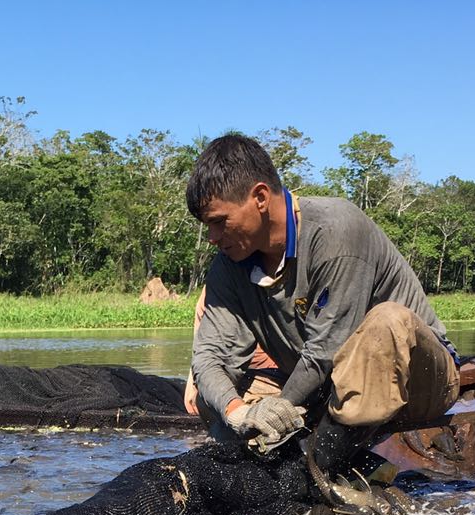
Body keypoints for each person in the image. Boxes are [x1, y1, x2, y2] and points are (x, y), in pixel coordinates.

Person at [186, 134, 459, 476]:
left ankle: (316, 467)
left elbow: (325, 351)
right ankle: (347, 463)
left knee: (387, 322)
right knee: (212, 396)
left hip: (417, 384)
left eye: (219, 221)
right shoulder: (229, 263)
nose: (212, 238)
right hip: (326, 390)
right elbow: (209, 357)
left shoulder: (336, 230)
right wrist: (238, 412)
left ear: (260, 197)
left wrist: (281, 407)